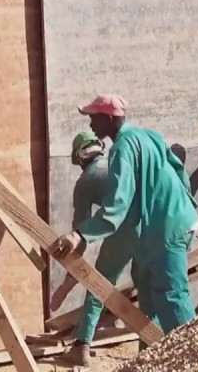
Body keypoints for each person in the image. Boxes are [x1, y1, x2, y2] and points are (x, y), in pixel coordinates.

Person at [49, 95, 198, 340]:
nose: (91, 125)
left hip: (164, 228)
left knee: (172, 294)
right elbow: (178, 169)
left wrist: (78, 235)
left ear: (109, 118)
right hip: (166, 224)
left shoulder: (121, 150)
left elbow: (117, 206)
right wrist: (187, 206)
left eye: (93, 118)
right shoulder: (149, 135)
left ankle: (195, 357)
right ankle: (152, 354)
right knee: (149, 293)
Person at [48, 131, 138, 367]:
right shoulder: (116, 167)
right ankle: (158, 343)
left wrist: (68, 283)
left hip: (124, 230)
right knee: (150, 282)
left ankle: (81, 347)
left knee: (99, 285)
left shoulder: (85, 182)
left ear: (79, 159)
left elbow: (79, 237)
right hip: (151, 224)